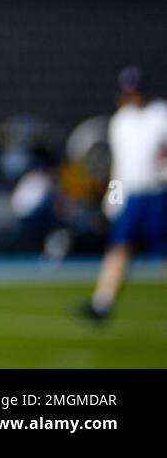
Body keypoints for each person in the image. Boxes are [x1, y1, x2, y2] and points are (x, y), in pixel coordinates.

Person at [78, 67, 167, 323]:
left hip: (157, 194)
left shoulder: (160, 114)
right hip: (131, 196)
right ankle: (102, 304)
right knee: (118, 249)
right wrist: (112, 201)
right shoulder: (120, 122)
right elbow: (120, 166)